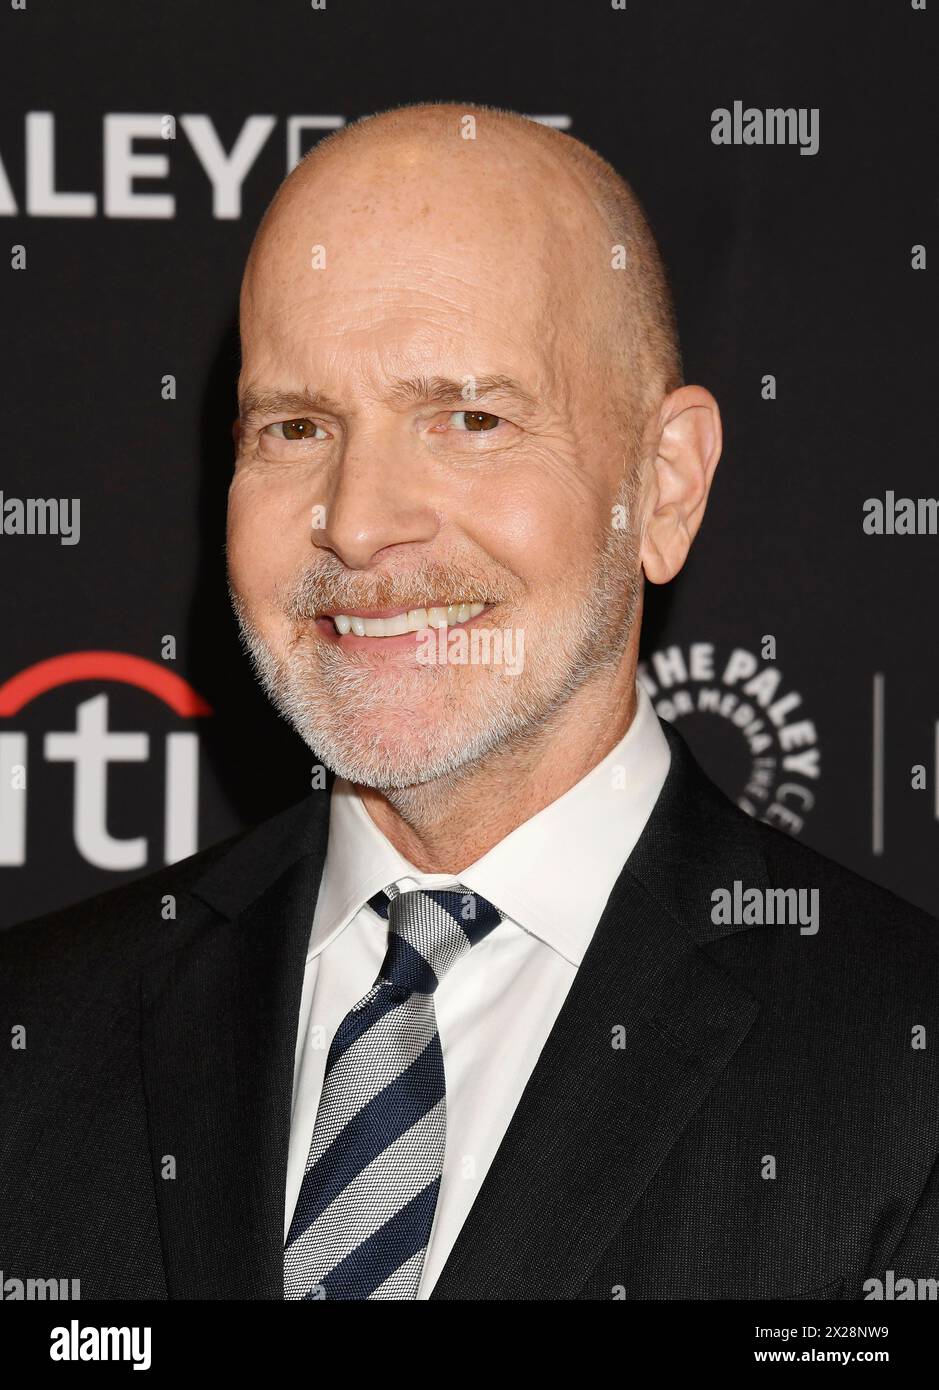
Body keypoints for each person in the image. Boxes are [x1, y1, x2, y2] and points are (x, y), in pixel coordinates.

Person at [1, 102, 937, 1302]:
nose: (357, 520)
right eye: (296, 426)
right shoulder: (35, 1036)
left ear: (663, 486)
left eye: (471, 420)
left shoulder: (904, 1075)